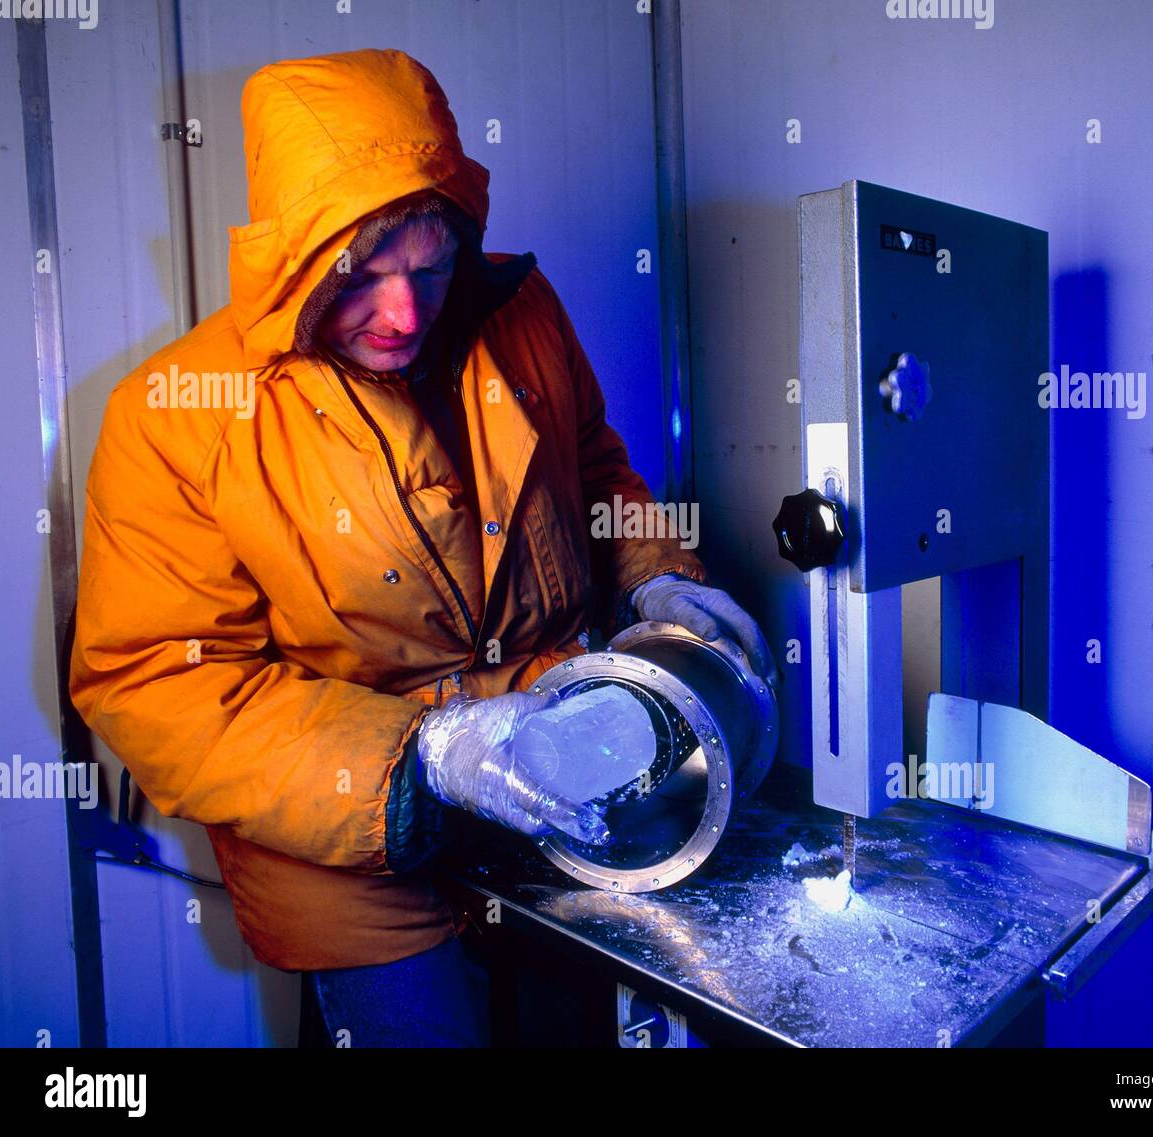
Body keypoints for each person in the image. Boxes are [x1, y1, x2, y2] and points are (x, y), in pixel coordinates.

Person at [69, 47, 776, 1047]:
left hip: (559, 780)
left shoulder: (521, 317)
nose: (403, 313)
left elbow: (595, 477)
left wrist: (663, 580)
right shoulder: (174, 418)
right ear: (293, 262)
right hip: (349, 861)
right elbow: (154, 686)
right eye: (361, 276)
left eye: (430, 266)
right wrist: (427, 755)